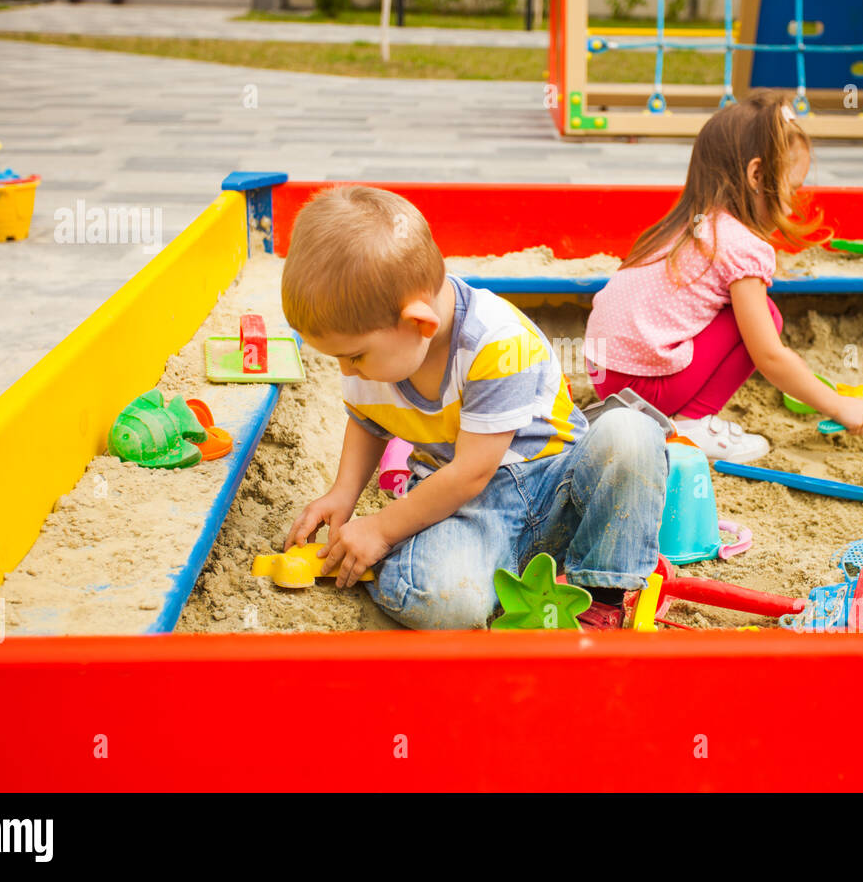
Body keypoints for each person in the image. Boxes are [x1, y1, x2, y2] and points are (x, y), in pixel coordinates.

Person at [281, 184, 668, 630]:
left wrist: (382, 529)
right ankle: (497, 581)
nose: (349, 370)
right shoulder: (378, 354)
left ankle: (600, 594)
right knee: (438, 599)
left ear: (419, 323)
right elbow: (367, 421)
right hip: (466, 515)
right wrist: (342, 494)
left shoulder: (497, 343)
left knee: (632, 433)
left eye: (354, 356)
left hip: (557, 490)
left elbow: (472, 472)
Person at [585, 89, 863, 461]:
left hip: (606, 379)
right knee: (764, 317)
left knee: (742, 313)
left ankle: (680, 416)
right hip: (645, 390)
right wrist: (840, 405)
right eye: (792, 187)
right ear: (757, 174)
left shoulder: (682, 226)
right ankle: (693, 423)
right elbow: (770, 356)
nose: (792, 202)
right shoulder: (740, 244)